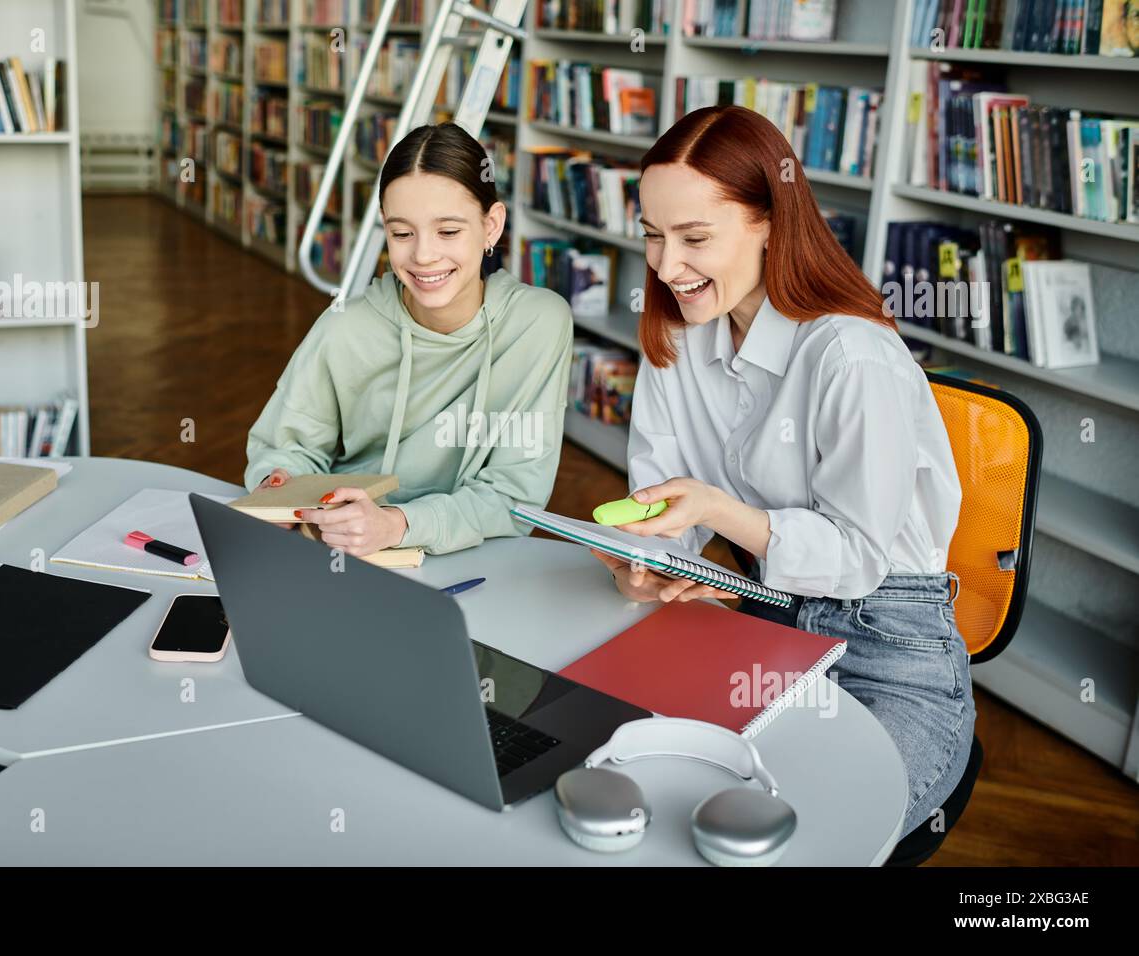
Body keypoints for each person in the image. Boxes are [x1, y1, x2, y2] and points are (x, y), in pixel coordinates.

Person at [592, 105, 973, 837]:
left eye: (694, 238)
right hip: (763, 626)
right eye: (652, 236)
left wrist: (714, 510)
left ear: (771, 223)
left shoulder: (850, 354)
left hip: (891, 655)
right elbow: (662, 507)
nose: (666, 268)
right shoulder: (677, 338)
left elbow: (858, 559)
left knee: (792, 836)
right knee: (640, 789)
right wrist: (651, 563)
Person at [245, 122, 573, 556]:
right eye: (402, 233)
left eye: (449, 231)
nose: (423, 255)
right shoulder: (345, 325)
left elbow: (516, 496)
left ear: (491, 226)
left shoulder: (539, 324)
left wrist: (397, 525)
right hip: (342, 548)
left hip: (474, 554)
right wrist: (281, 482)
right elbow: (289, 448)